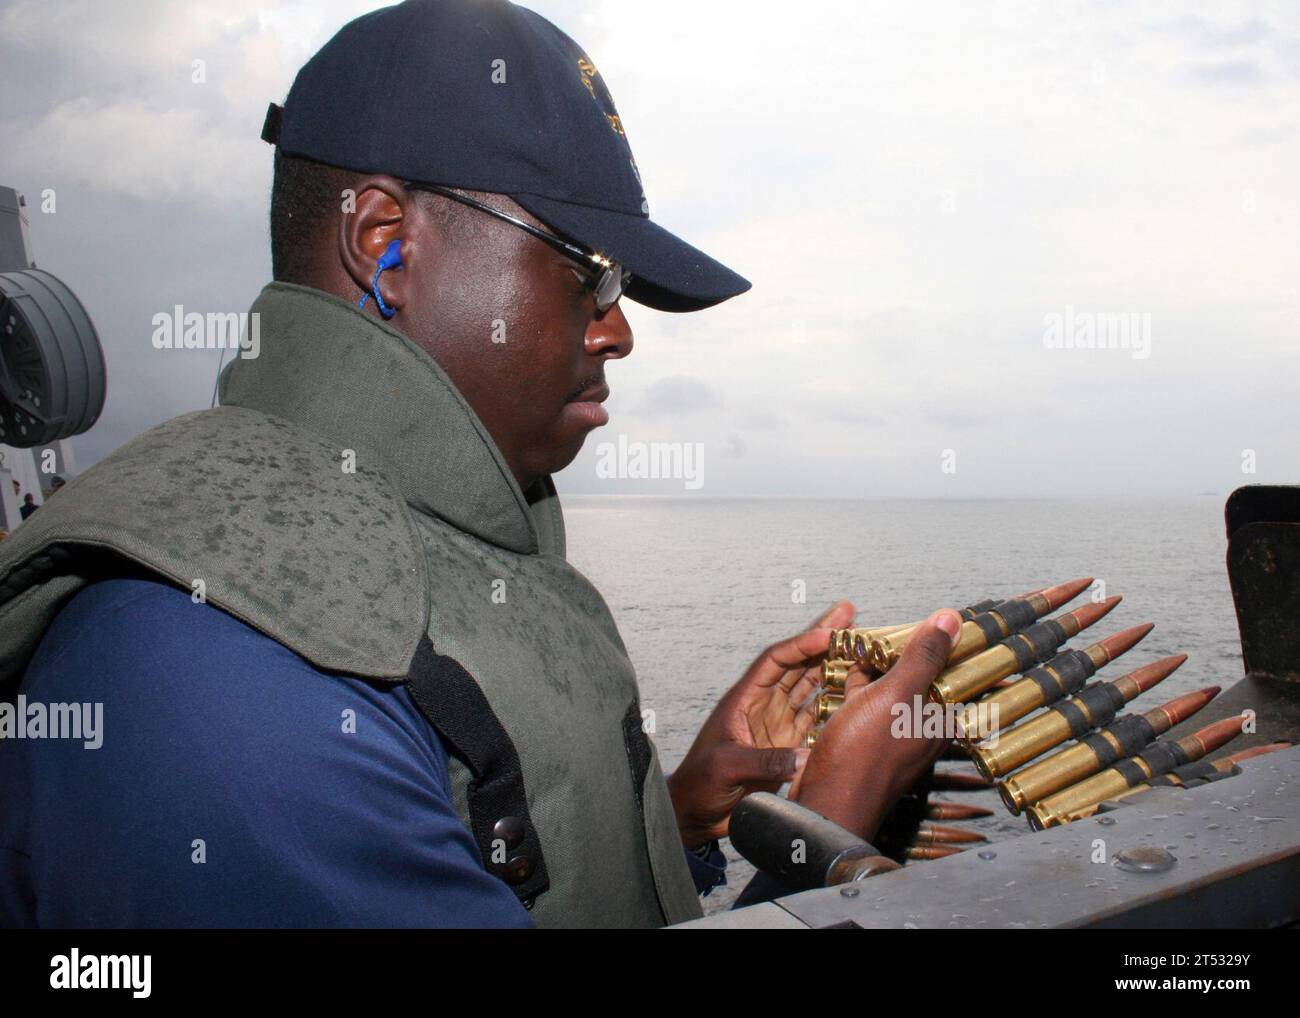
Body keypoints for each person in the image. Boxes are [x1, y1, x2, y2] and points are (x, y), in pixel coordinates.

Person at [0, 0, 959, 928]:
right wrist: (831, 819)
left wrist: (666, 822)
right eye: (590, 271)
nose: (619, 330)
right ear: (385, 243)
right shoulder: (229, 683)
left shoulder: (373, 562)